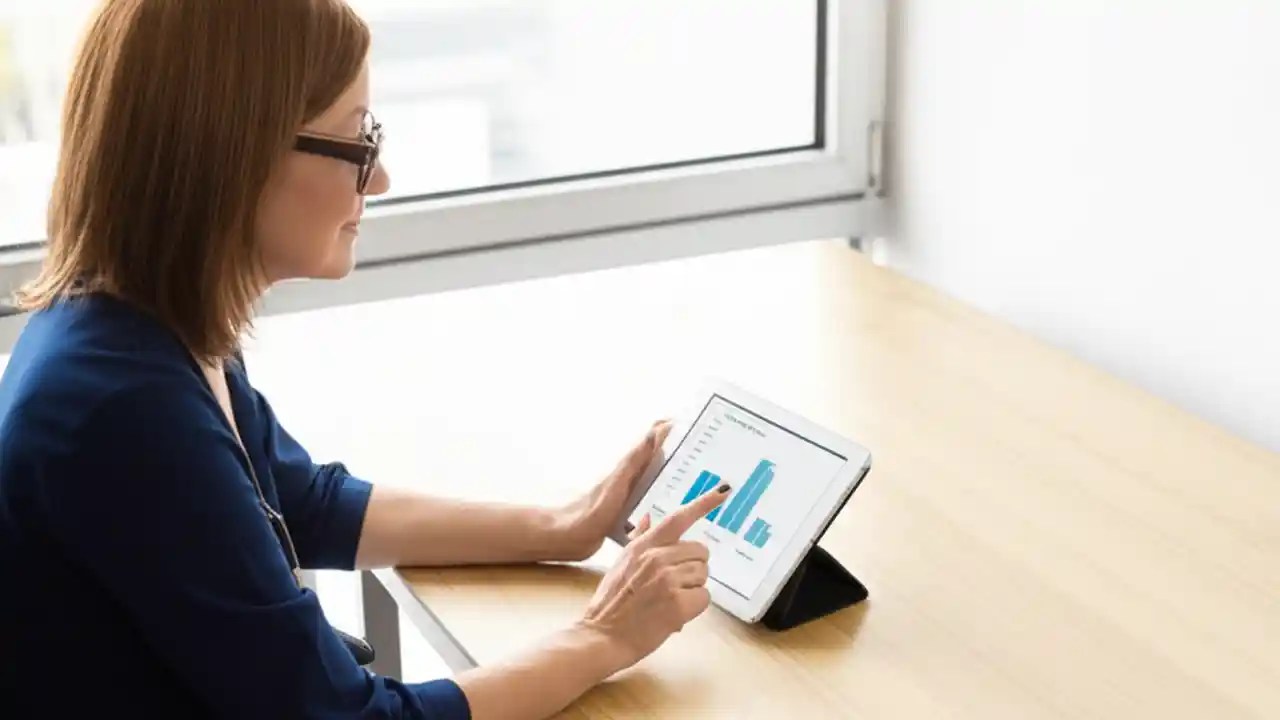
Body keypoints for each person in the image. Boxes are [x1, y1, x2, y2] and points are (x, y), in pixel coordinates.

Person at [0, 1, 731, 718]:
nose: (377, 180)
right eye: (358, 144)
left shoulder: (138, 324)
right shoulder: (124, 412)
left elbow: (306, 502)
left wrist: (562, 525)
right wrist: (602, 636)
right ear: (233, 153)